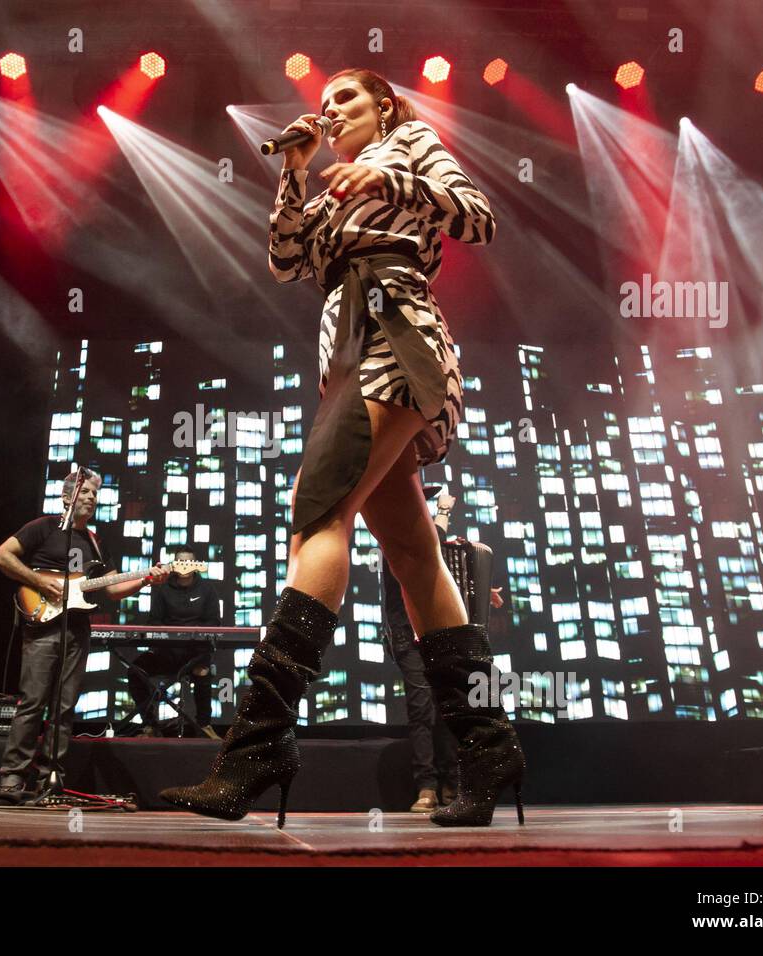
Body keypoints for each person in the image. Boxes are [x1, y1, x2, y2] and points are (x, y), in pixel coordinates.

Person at [161, 68, 525, 828]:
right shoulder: (326, 186)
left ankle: (256, 749)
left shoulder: (411, 143)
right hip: (350, 349)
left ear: (384, 105)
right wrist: (295, 173)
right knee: (414, 554)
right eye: (324, 108)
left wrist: (396, 180)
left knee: (317, 514)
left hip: (395, 336)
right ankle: (488, 746)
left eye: (346, 101)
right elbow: (287, 261)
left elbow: (481, 221)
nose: (330, 114)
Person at [0, 469, 167, 793]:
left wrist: (146, 578)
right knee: (33, 701)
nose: (90, 498)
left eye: (94, 494)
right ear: (66, 496)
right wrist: (38, 580)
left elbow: (112, 588)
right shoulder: (43, 527)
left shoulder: (96, 543)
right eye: (84, 492)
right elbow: (1, 556)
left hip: (77, 630)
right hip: (43, 624)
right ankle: (12, 776)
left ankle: (50, 778)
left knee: (64, 707)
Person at [381, 490, 506, 812]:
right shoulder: (396, 536)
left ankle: (452, 783)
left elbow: (443, 574)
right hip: (408, 636)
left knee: (449, 707)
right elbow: (425, 548)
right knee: (421, 709)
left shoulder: (431, 545)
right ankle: (426, 787)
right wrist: (443, 512)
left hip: (439, 633)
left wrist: (480, 587)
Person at [128, 548, 223, 737]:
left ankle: (204, 725)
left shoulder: (207, 590)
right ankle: (150, 725)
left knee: (202, 669)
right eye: (180, 561)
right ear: (173, 564)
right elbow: (154, 621)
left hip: (195, 653)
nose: (184, 565)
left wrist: (192, 636)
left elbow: (213, 622)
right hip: (166, 652)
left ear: (196, 566)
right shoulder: (163, 589)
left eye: (189, 562)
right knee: (135, 671)